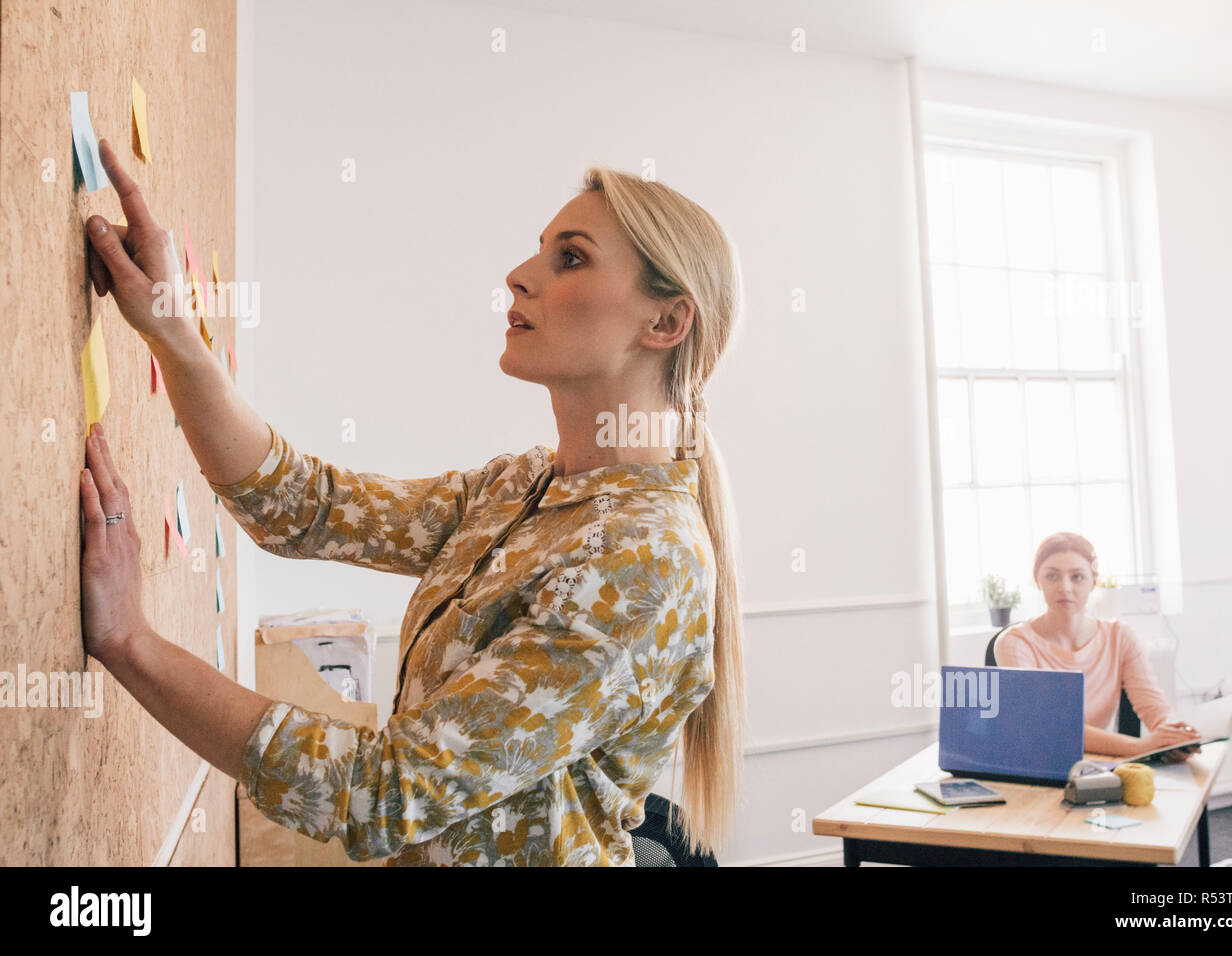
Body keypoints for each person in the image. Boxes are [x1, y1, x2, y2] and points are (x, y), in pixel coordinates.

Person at [77, 138, 746, 865]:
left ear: (665, 323)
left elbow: (383, 791)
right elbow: (304, 508)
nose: (519, 277)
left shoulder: (646, 560)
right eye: (541, 251)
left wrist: (129, 642)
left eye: (572, 258)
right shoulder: (520, 487)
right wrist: (172, 330)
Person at [993, 532, 1200, 761]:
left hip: (1098, 766)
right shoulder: (1014, 643)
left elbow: (1155, 709)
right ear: (1037, 580)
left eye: (1077, 577)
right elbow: (1046, 726)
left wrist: (1173, 737)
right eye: (1052, 576)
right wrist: (1140, 747)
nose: (1065, 587)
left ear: (1093, 581)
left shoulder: (1120, 636)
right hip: (1036, 764)